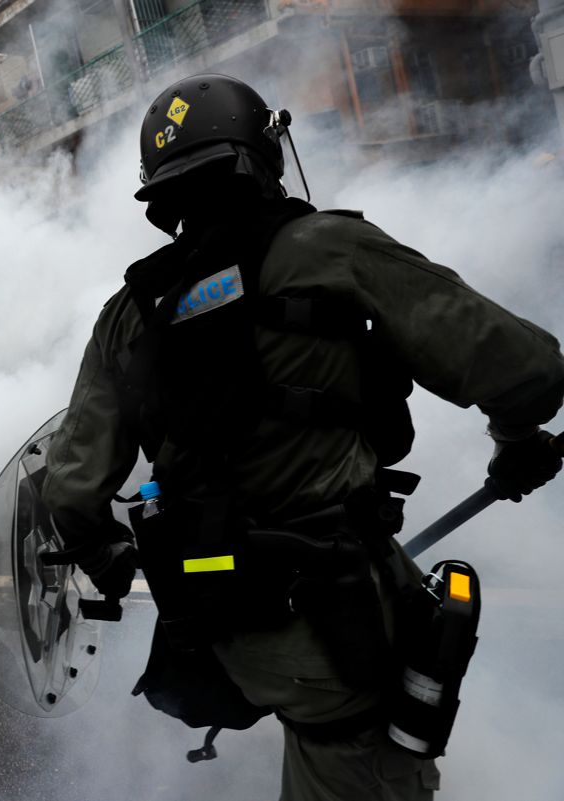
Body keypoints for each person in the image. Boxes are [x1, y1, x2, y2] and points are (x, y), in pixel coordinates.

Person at [41, 73, 564, 800]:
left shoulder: (130, 313)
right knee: (362, 756)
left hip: (219, 628)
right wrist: (515, 440)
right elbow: (524, 367)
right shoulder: (326, 248)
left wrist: (106, 554)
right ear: (261, 155)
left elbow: (70, 490)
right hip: (337, 625)